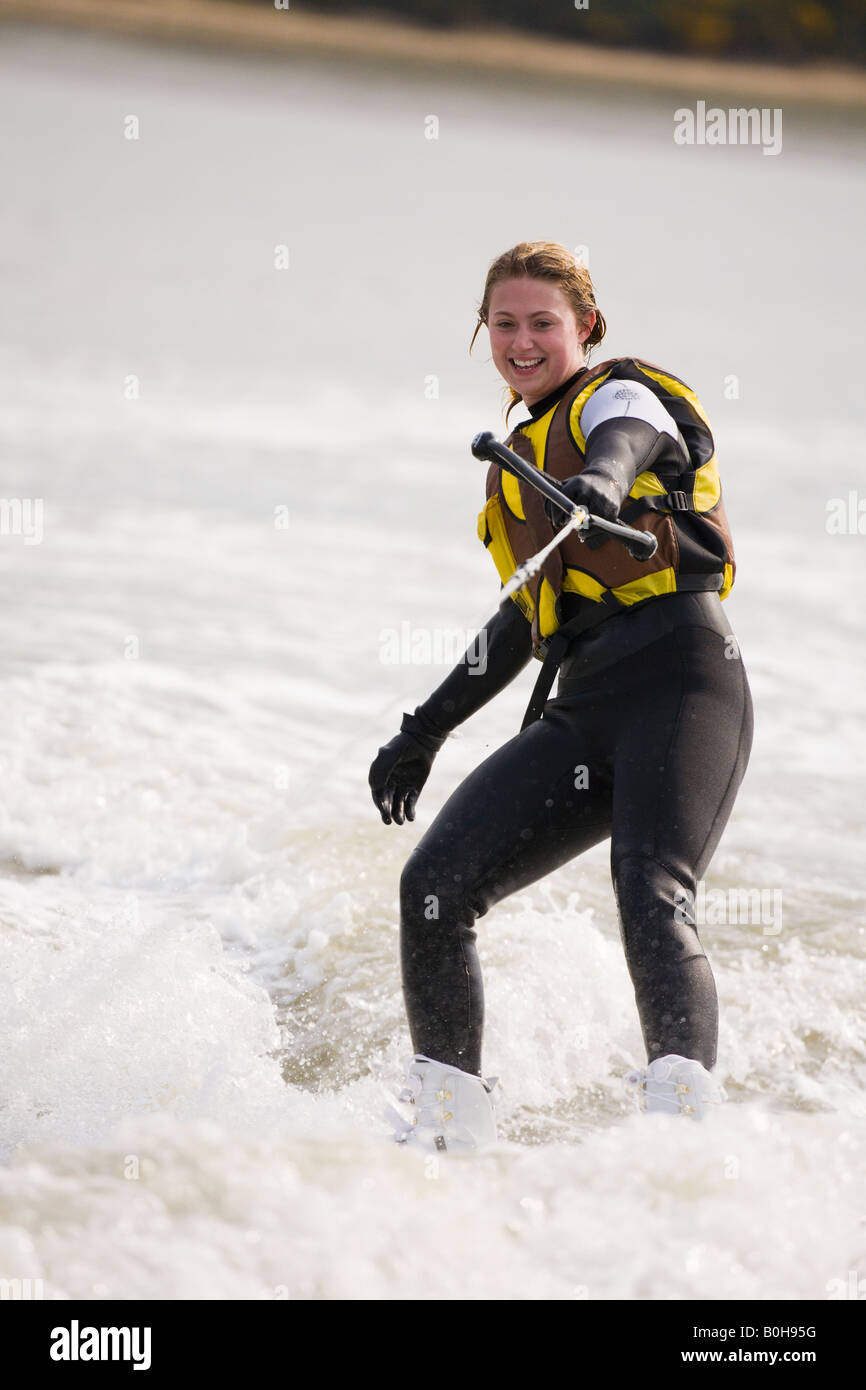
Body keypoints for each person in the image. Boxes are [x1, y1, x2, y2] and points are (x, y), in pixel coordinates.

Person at [369, 241, 753, 1151]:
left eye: (544, 322)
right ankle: (451, 1128)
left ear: (586, 326)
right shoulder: (514, 469)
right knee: (436, 883)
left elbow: (629, 441)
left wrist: (603, 480)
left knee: (650, 888)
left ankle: (681, 1142)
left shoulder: (622, 395)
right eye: (504, 323)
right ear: (484, 334)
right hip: (587, 703)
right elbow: (523, 618)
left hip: (683, 680)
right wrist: (423, 731)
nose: (523, 339)